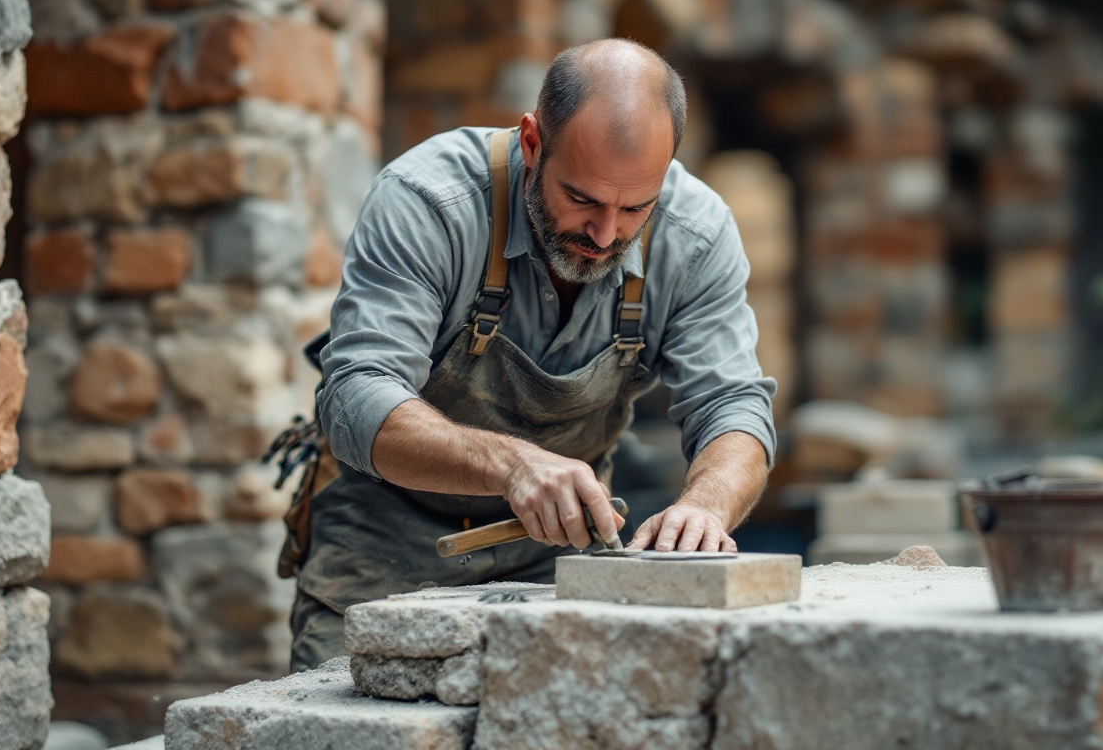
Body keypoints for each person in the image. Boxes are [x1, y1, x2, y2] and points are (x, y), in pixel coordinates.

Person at [287, 38, 776, 670]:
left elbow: (734, 405)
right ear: (531, 143)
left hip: (565, 555)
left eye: (634, 208)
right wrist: (513, 466)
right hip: (383, 547)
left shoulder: (696, 234)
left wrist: (706, 505)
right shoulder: (429, 202)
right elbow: (356, 397)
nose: (605, 235)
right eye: (582, 199)